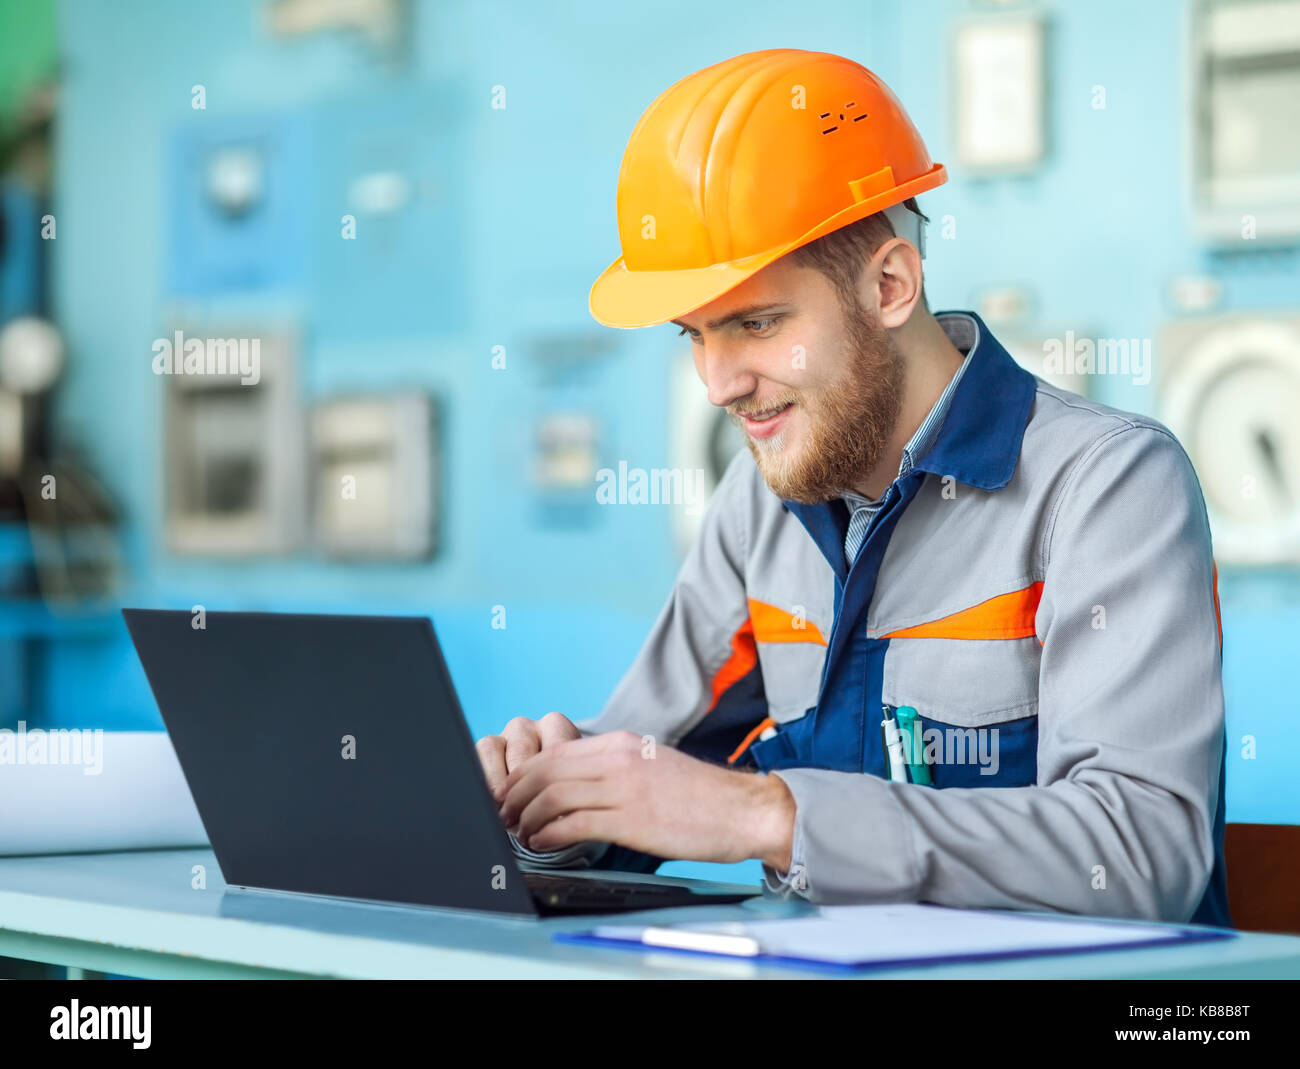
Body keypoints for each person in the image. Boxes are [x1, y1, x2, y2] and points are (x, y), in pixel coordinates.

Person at [477, 48, 1229, 926]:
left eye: (756, 323)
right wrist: (547, 801)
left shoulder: (1107, 487)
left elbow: (1141, 856)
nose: (717, 383)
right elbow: (646, 782)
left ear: (889, 285)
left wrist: (771, 818)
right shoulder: (759, 505)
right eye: (695, 334)